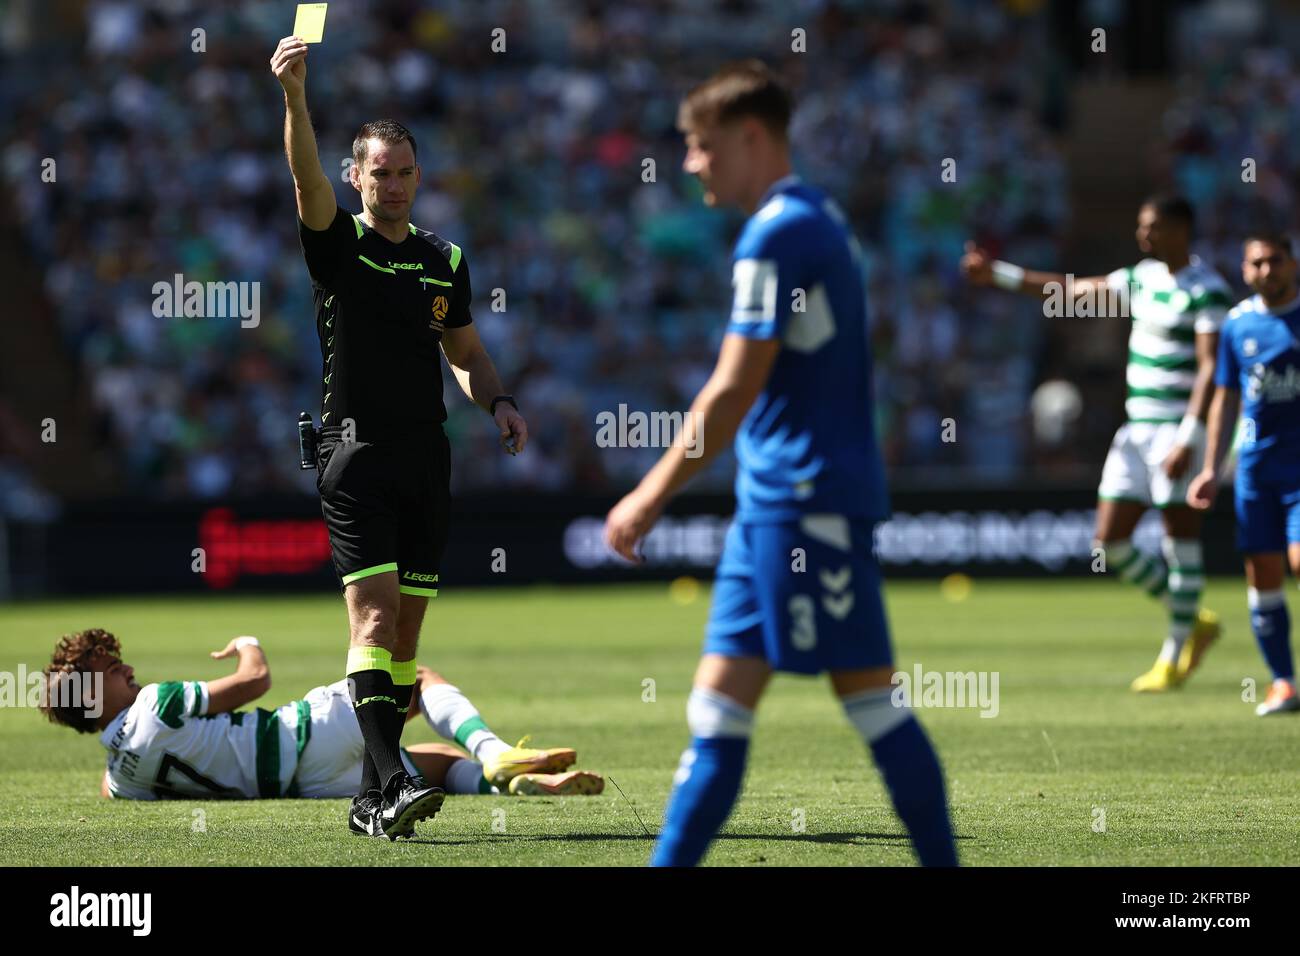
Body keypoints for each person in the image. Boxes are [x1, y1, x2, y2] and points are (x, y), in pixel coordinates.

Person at [603, 61, 957, 867]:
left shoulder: (778, 234)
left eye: (700, 146)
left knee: (869, 701)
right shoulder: (816, 218)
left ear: (750, 137)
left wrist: (647, 497)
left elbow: (732, 389)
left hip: (804, 500)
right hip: (775, 506)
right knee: (715, 711)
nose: (691, 163)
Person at [270, 35, 529, 836]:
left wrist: (498, 402)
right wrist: (294, 98)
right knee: (373, 621)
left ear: (419, 176)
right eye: (379, 171)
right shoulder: (338, 244)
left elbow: (466, 352)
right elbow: (303, 175)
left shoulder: (443, 260)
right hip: (354, 456)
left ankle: (369, 799)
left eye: (405, 171)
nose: (394, 184)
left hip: (427, 457)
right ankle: (389, 781)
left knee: (406, 639)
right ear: (358, 177)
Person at [962, 196, 1227, 691]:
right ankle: (1193, 617)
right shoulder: (1141, 279)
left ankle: (1173, 654)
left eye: (1153, 228)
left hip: (1177, 429)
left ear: (1181, 230)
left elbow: (1212, 368)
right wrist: (996, 274)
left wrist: (1191, 438)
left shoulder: (1207, 290)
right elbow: (1069, 291)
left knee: (1179, 539)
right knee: (1110, 543)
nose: (1143, 235)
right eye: (1141, 226)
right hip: (1136, 430)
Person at [39, 628, 603, 839]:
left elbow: (108, 789)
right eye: (108, 668)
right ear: (90, 696)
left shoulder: (121, 776)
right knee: (415, 678)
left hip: (307, 785)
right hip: (307, 734)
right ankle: (497, 753)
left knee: (432, 763)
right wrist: (246, 640)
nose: (125, 668)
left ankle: (521, 786)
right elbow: (255, 680)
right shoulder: (154, 705)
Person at [1188, 231, 1300, 715]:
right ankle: (1284, 684)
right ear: (1244, 270)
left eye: (1275, 261)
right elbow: (1226, 399)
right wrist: (1211, 467)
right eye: (1256, 263)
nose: (1266, 270)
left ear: (1292, 264)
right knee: (1263, 577)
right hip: (1255, 472)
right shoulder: (1237, 326)